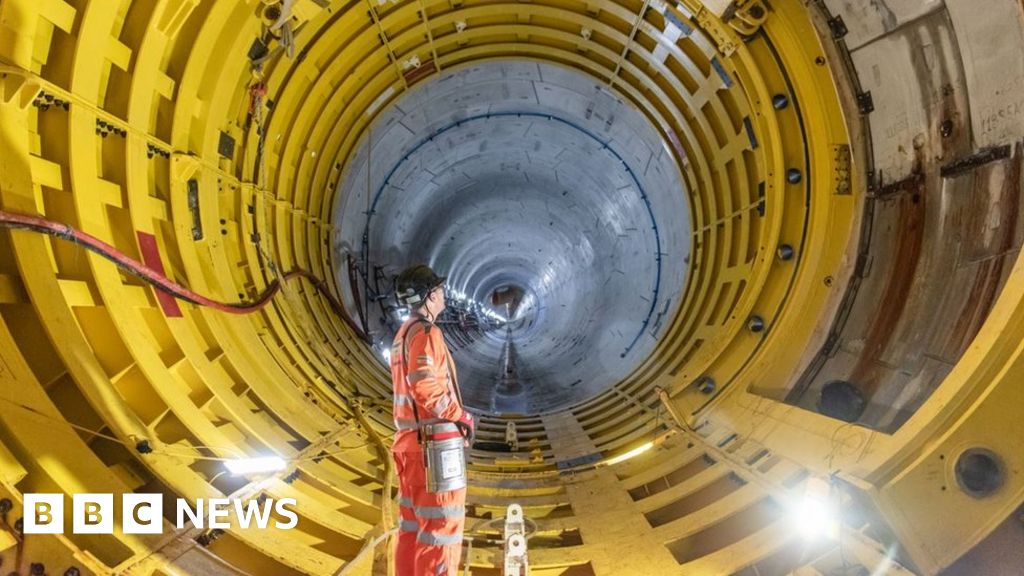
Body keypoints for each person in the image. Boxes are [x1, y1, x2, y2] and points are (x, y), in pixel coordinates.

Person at [389, 264, 475, 576]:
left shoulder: (403, 335)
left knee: (412, 528)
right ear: (428, 297)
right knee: (441, 531)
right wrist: (460, 416)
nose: (443, 294)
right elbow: (424, 383)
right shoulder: (426, 333)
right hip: (434, 450)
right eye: (438, 290)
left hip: (410, 447)